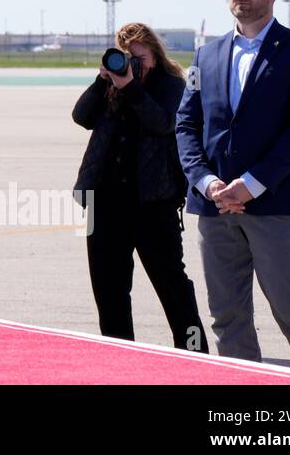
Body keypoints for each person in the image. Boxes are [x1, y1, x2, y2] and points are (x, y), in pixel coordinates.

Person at [176, 0, 290, 373]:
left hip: (274, 205)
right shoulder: (205, 56)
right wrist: (207, 182)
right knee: (227, 317)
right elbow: (186, 124)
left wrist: (252, 183)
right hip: (215, 209)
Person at [71, 23, 208, 352]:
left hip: (153, 201)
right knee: (108, 285)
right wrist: (102, 79)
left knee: (170, 282)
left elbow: (162, 123)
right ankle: (120, 352)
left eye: (139, 58)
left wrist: (131, 87)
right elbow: (81, 116)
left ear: (154, 55)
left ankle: (193, 350)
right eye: (126, 58)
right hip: (103, 199)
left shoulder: (171, 84)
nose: (132, 65)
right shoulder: (111, 86)